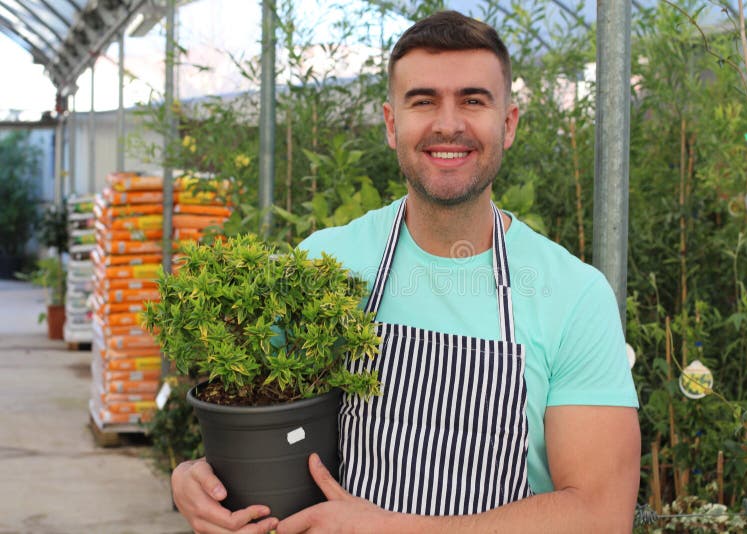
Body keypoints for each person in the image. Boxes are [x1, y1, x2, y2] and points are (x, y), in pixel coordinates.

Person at [171, 10, 640, 533]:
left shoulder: (573, 296)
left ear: (507, 125)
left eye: (473, 100)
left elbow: (601, 514)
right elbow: (253, 411)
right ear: (392, 125)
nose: (448, 123)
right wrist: (195, 480)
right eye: (423, 101)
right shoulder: (322, 266)